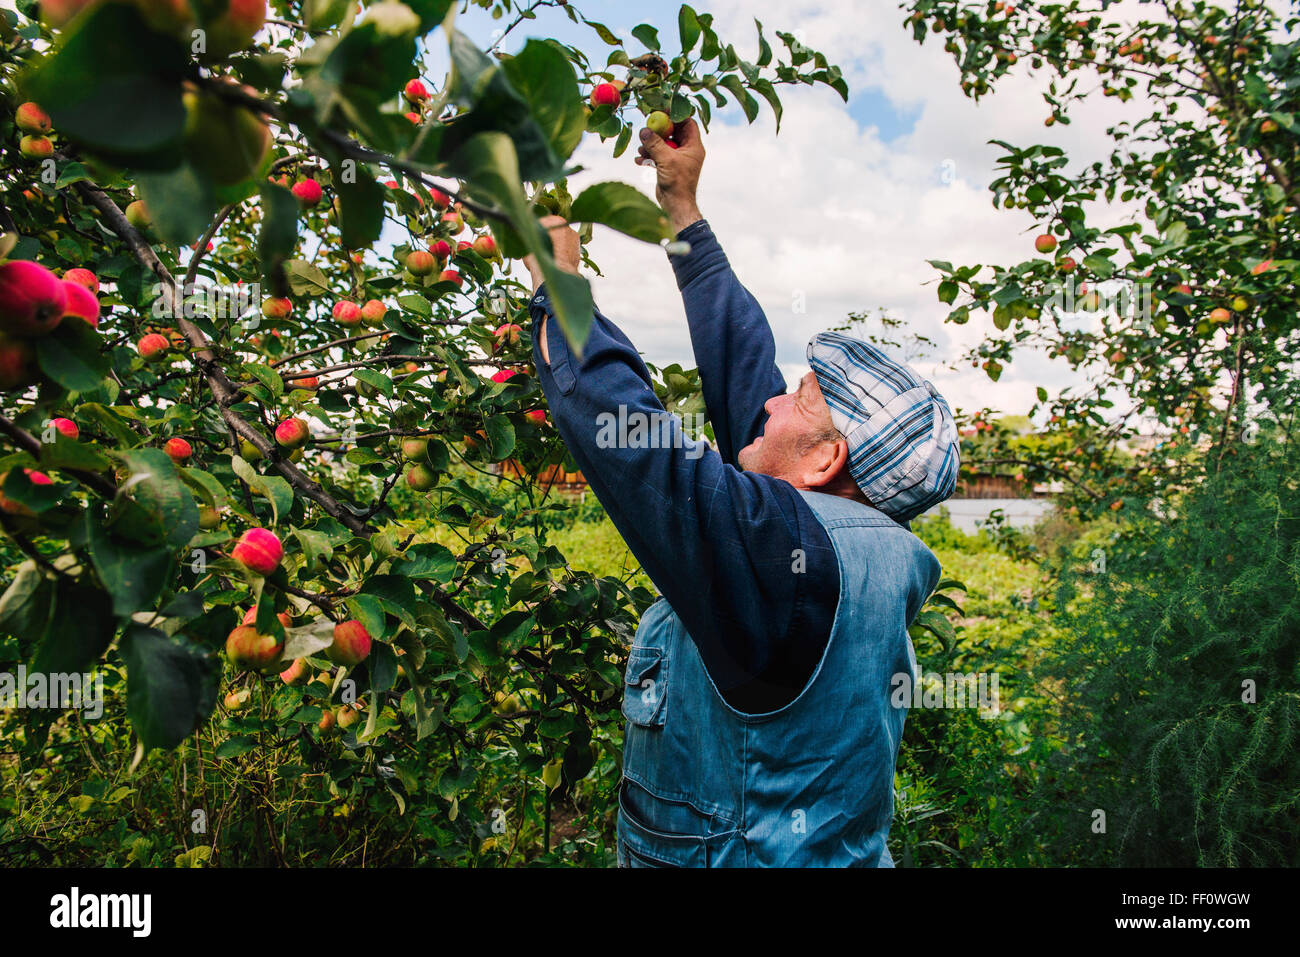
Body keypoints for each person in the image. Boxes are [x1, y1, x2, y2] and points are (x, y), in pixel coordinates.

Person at [521, 117, 961, 867]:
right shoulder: (844, 545)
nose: (768, 403)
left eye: (801, 396)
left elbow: (631, 435)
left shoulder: (781, 554)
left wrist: (558, 275)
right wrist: (681, 207)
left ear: (826, 458)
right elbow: (744, 368)